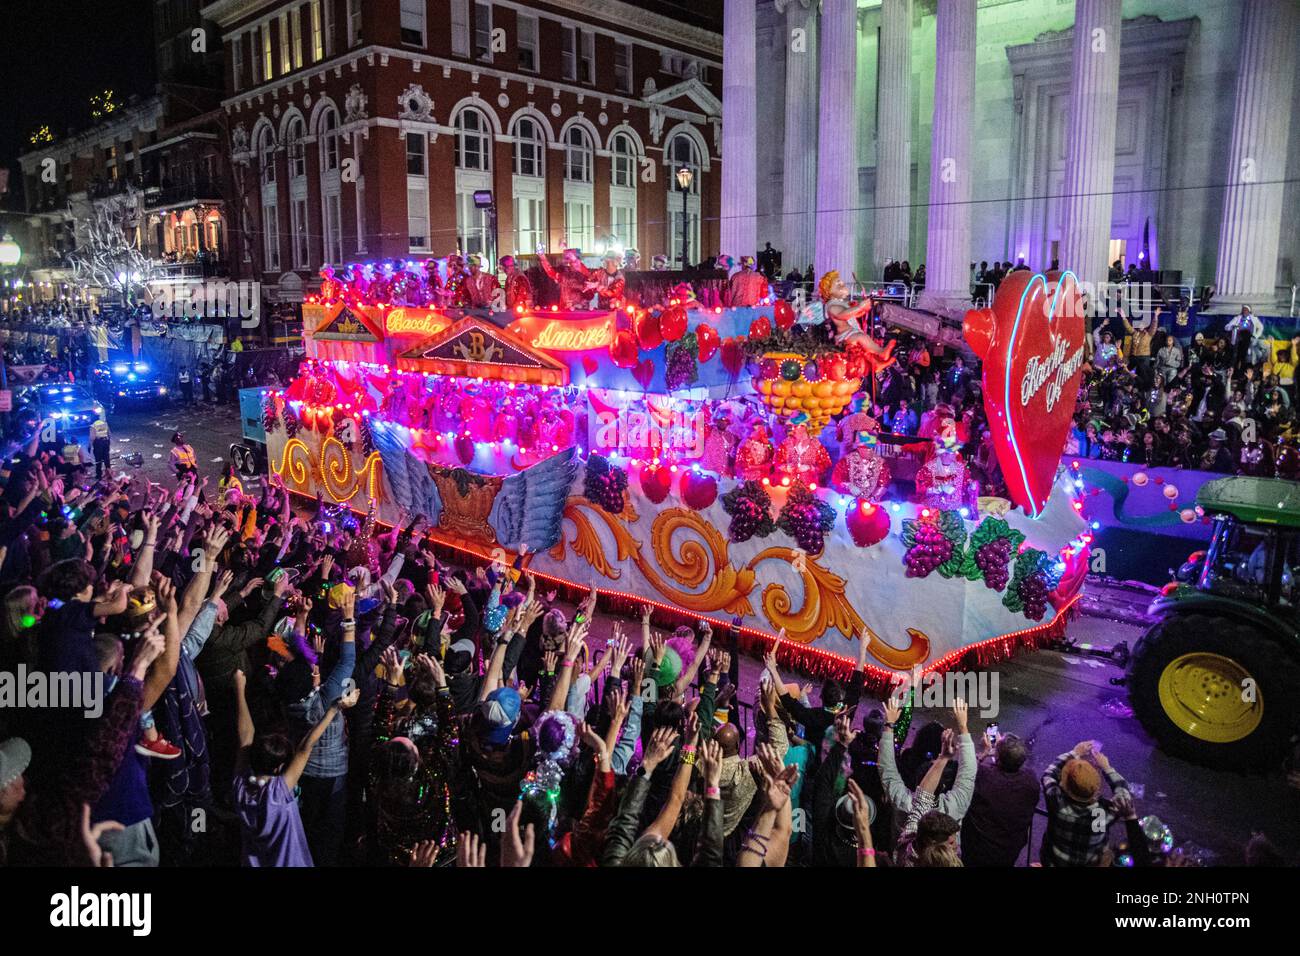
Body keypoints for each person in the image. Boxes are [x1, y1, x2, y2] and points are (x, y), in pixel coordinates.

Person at [233, 668, 360, 867]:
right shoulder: (277, 792)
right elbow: (304, 748)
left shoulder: (240, 788)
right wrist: (334, 709)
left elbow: (245, 738)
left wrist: (239, 690)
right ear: (279, 768)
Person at [1040, 740, 1131, 866]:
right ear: (1096, 790)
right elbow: (1125, 797)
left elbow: (1048, 774)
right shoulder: (1101, 814)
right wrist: (1107, 768)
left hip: (1054, 862)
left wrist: (1074, 753)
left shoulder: (1057, 802)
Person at [960, 732, 1040, 866]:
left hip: (976, 850)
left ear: (997, 757)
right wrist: (1000, 753)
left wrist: (985, 753)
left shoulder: (983, 776)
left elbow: (966, 772)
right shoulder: (1031, 781)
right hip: (1008, 852)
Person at [90, 414, 111, 480]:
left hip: (98, 443)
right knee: (106, 459)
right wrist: (108, 442)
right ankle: (109, 474)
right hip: (105, 441)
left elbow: (92, 437)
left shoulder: (93, 425)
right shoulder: (104, 423)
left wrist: (90, 446)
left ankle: (99, 475)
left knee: (98, 460)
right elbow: (109, 433)